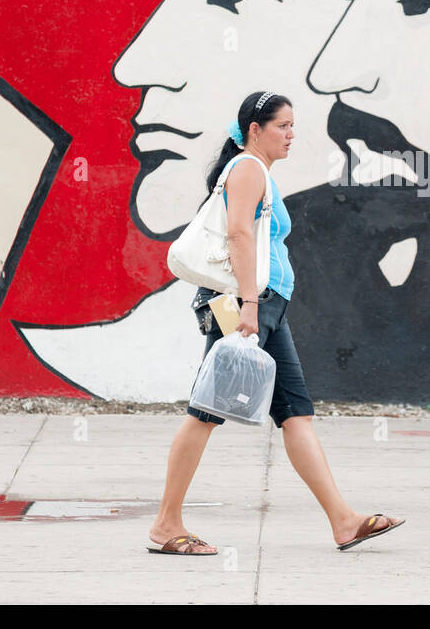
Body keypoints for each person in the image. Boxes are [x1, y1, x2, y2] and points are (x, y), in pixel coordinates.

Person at [147, 90, 404, 554]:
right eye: (282, 126)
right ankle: (166, 525)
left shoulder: (255, 170)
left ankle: (344, 521)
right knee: (205, 413)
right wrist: (247, 304)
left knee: (295, 414)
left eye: (292, 126)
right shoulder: (248, 168)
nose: (291, 134)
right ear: (255, 131)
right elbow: (240, 234)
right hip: (244, 306)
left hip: (266, 308)